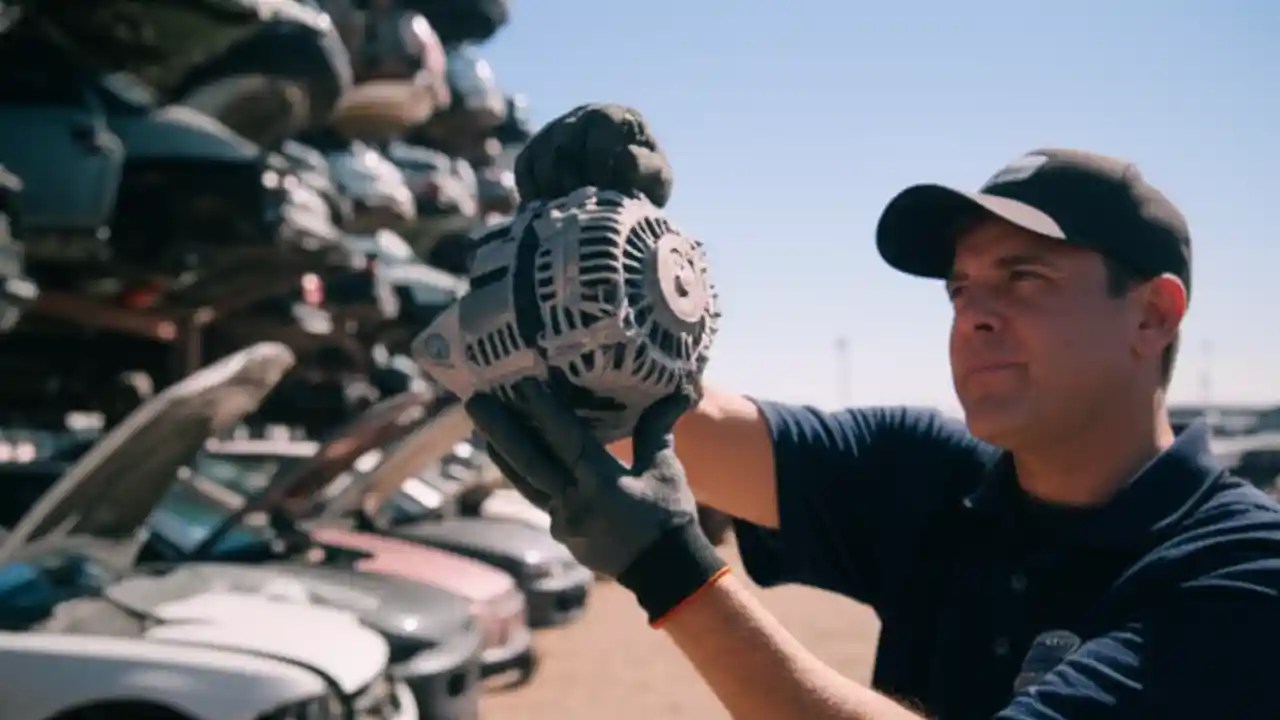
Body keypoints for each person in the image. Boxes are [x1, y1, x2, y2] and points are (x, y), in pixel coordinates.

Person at [462, 105, 1280, 719]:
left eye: (1025, 277)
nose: (973, 315)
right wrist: (585, 288)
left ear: (1153, 316)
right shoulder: (936, 476)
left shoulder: (1241, 572)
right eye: (962, 288)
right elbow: (649, 417)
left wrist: (676, 576)